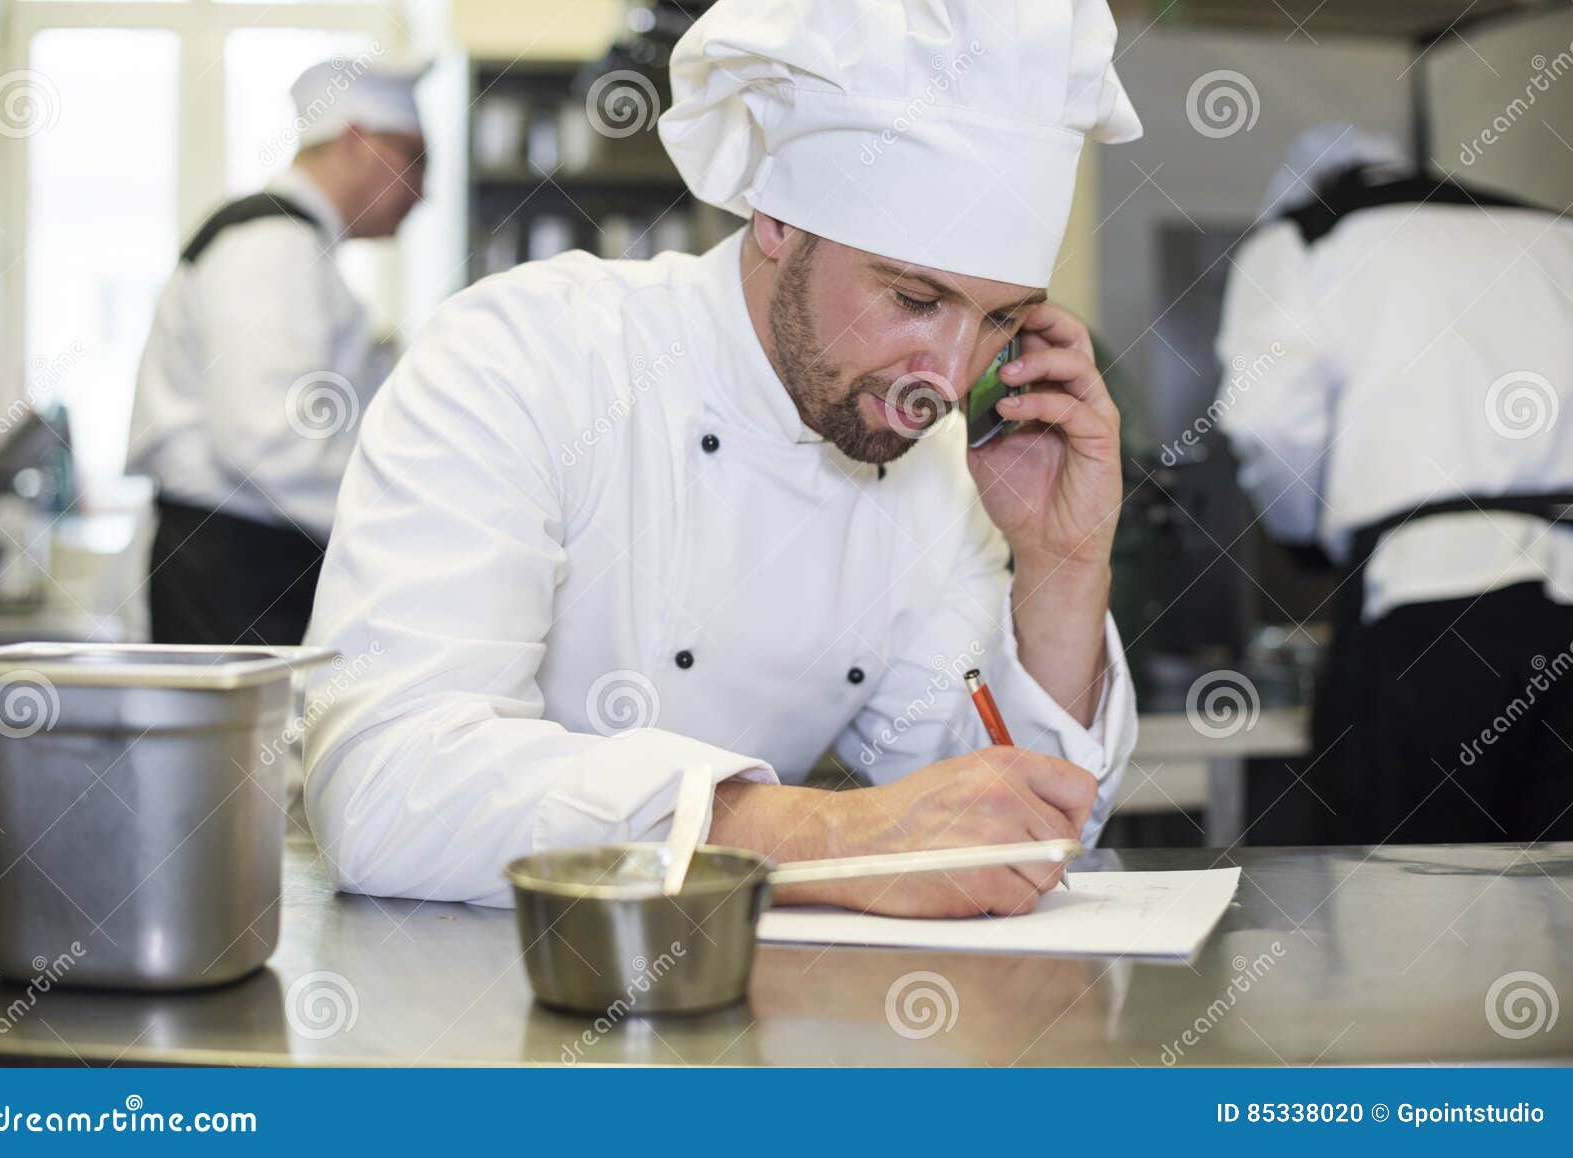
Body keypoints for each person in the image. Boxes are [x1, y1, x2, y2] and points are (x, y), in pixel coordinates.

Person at [303, 0, 1143, 915]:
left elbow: (1008, 833)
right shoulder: (528, 357)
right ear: (777, 218)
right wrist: (829, 836)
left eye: (1002, 320)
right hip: (472, 1012)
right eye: (912, 298)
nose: (944, 380)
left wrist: (1062, 563)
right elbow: (385, 788)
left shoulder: (934, 477)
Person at [1216, 125, 1573, 845]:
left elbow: (1266, 421)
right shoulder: (1550, 231)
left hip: (1428, 606)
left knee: (1412, 905)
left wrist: (1304, 538)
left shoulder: (1302, 237)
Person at [130, 57, 428, 645]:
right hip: (233, 568)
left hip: (251, 559)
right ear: (355, 141)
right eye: (413, 159)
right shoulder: (270, 245)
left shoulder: (297, 248)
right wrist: (401, 522)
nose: (423, 191)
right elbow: (264, 439)